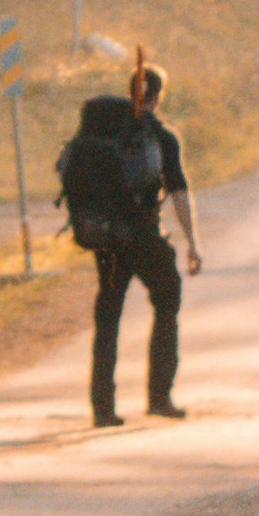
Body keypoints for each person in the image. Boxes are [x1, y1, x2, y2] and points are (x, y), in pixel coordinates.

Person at [55, 41, 198, 425]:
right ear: (157, 96)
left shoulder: (101, 134)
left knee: (108, 316)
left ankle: (103, 409)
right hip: (145, 238)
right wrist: (192, 243)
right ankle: (159, 397)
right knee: (167, 302)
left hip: (109, 240)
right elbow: (179, 191)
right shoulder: (160, 137)